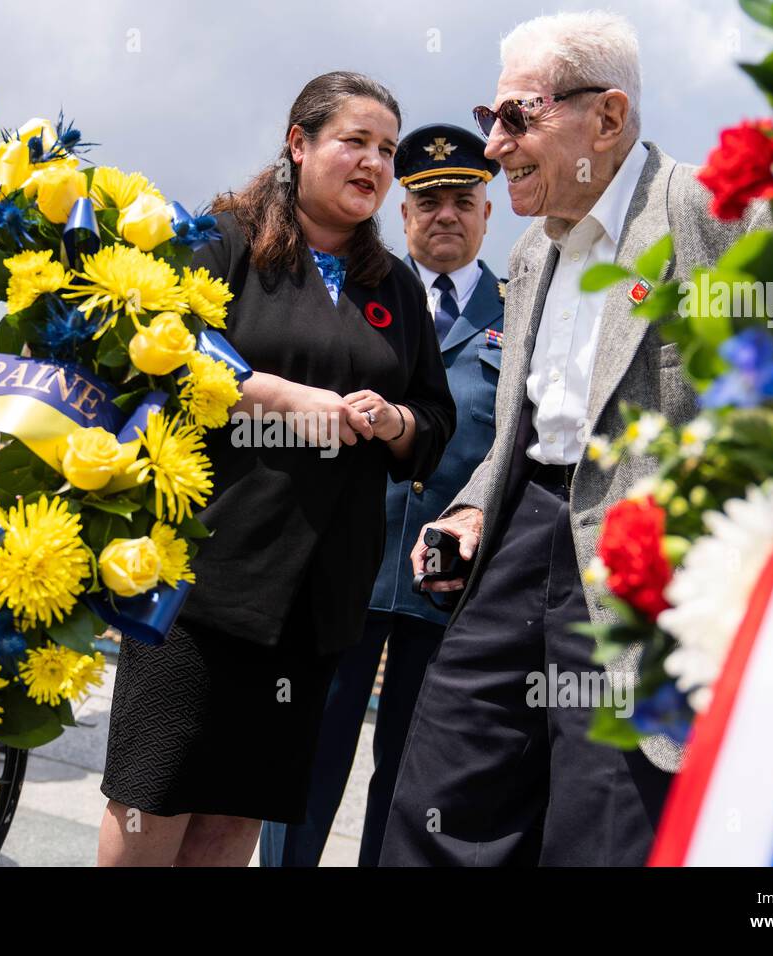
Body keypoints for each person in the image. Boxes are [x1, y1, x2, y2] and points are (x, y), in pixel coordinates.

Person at [380, 11, 773, 866]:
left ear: (607, 116)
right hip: (520, 541)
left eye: (517, 118)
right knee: (436, 806)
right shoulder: (531, 253)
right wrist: (474, 509)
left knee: (603, 834)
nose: (492, 147)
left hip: (643, 564)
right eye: (492, 120)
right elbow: (527, 428)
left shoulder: (718, 216)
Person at [98, 71, 455, 867]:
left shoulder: (395, 285)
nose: (373, 163)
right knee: (153, 800)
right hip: (199, 582)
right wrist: (289, 398)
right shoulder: (221, 239)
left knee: (238, 815)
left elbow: (434, 421)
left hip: (316, 599)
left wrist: (392, 420)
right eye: (354, 142)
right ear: (299, 144)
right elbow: (168, 356)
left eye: (386, 150)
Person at [259, 123, 504, 867]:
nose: (445, 216)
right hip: (346, 572)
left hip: (452, 592)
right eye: (427, 202)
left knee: (414, 789)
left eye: (463, 200)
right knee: (302, 769)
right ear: (402, 214)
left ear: (487, 213)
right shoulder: (366, 295)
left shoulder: (520, 314)